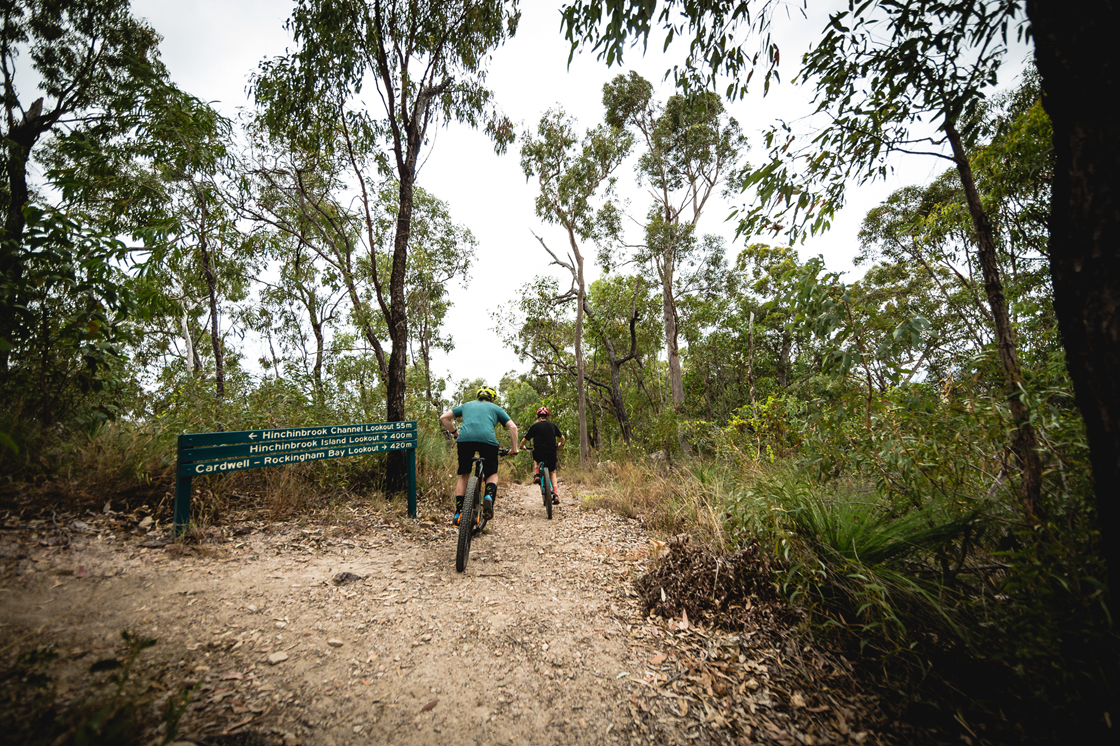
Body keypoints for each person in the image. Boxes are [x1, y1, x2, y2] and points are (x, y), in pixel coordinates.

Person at [439, 385, 518, 526]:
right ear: (492, 398)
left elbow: (444, 418)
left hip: (464, 440)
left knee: (464, 475)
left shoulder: (466, 405)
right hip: (487, 441)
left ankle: (458, 512)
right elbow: (513, 427)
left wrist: (455, 433)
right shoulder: (496, 409)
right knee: (492, 474)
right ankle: (488, 496)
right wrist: (514, 449)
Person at [520, 406, 565, 504]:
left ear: (538, 416)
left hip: (539, 452)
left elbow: (524, 439)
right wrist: (560, 444)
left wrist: (522, 446)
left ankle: (537, 474)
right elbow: (562, 437)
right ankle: (556, 494)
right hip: (551, 451)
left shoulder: (535, 426)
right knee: (552, 472)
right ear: (547, 416)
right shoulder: (553, 425)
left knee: (536, 456)